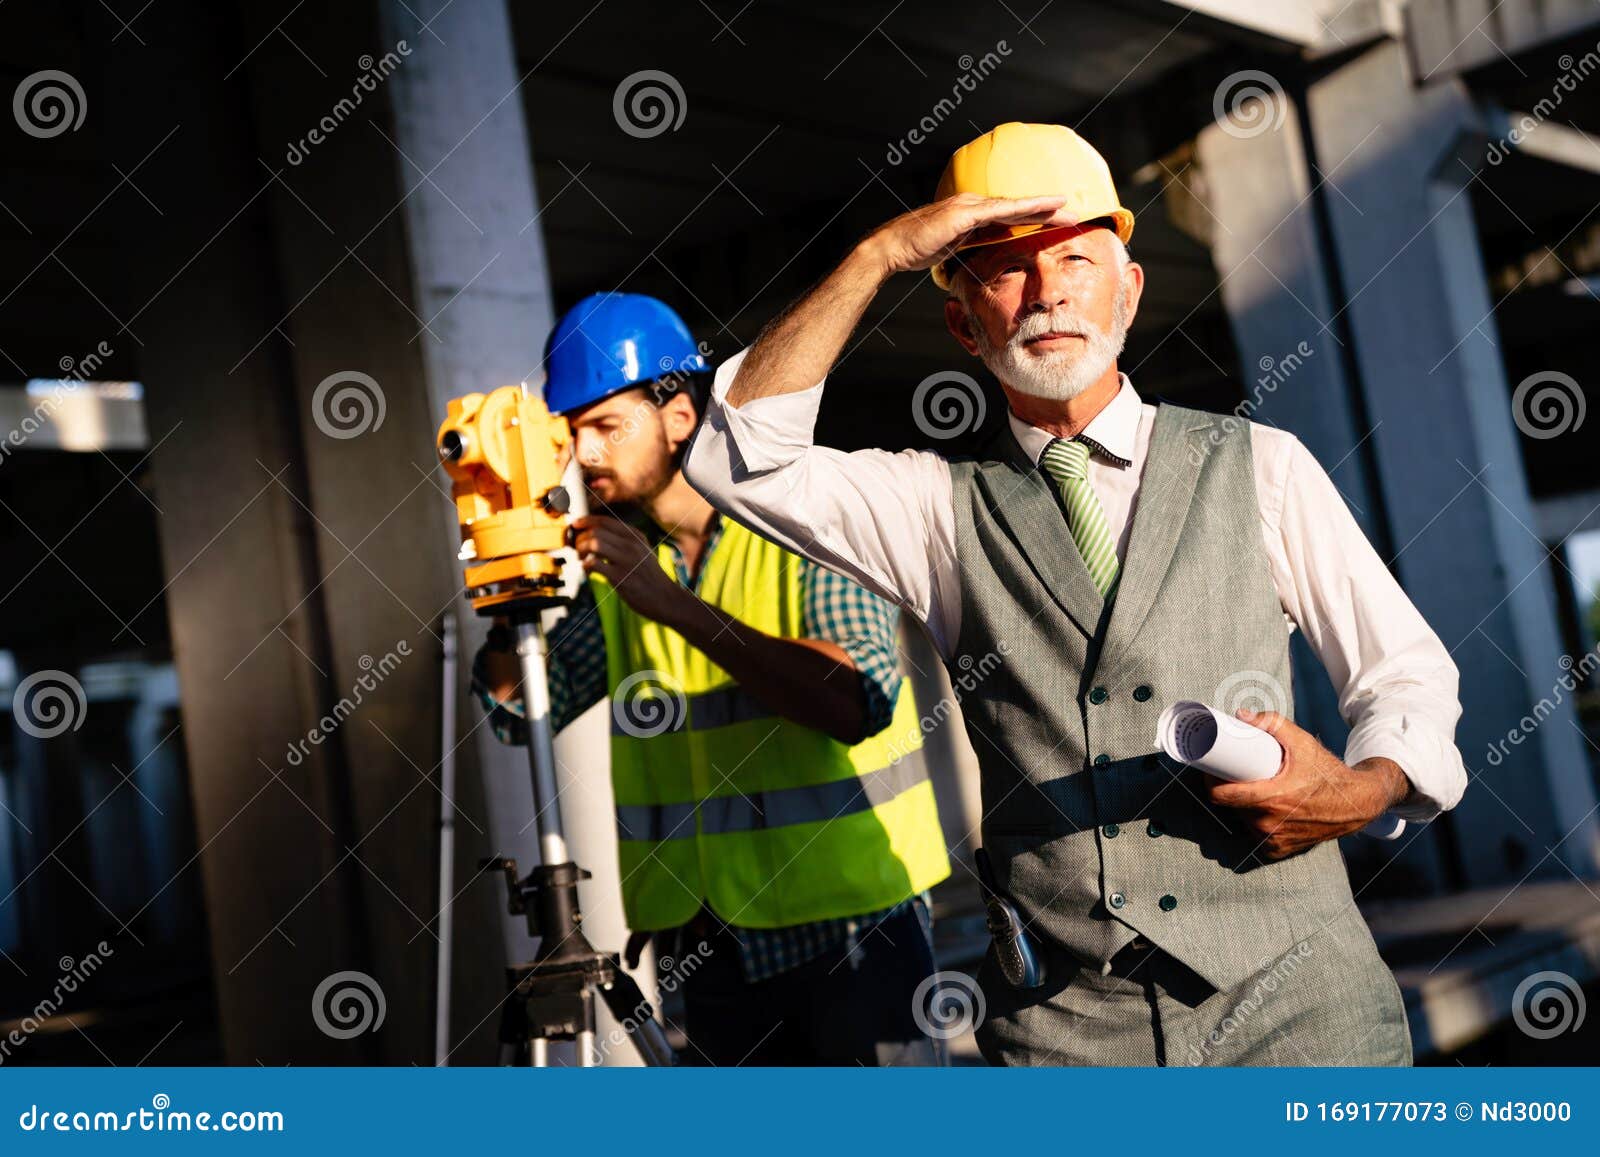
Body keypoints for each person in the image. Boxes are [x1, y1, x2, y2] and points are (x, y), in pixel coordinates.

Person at [681, 122, 1468, 1066]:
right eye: (1005, 269)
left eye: (1077, 260)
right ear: (964, 322)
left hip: (1302, 1008)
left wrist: (1360, 787)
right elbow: (739, 459)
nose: (1048, 291)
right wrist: (879, 253)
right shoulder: (932, 506)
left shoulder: (1262, 465)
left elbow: (1406, 673)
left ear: (1128, 292)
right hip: (1068, 1034)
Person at [474, 292, 950, 1066]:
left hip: (853, 939)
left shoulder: (806, 521)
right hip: (711, 956)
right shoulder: (618, 572)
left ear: (680, 417)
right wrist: (509, 585)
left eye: (605, 425)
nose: (583, 453)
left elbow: (854, 698)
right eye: (570, 432)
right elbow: (514, 711)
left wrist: (674, 607)